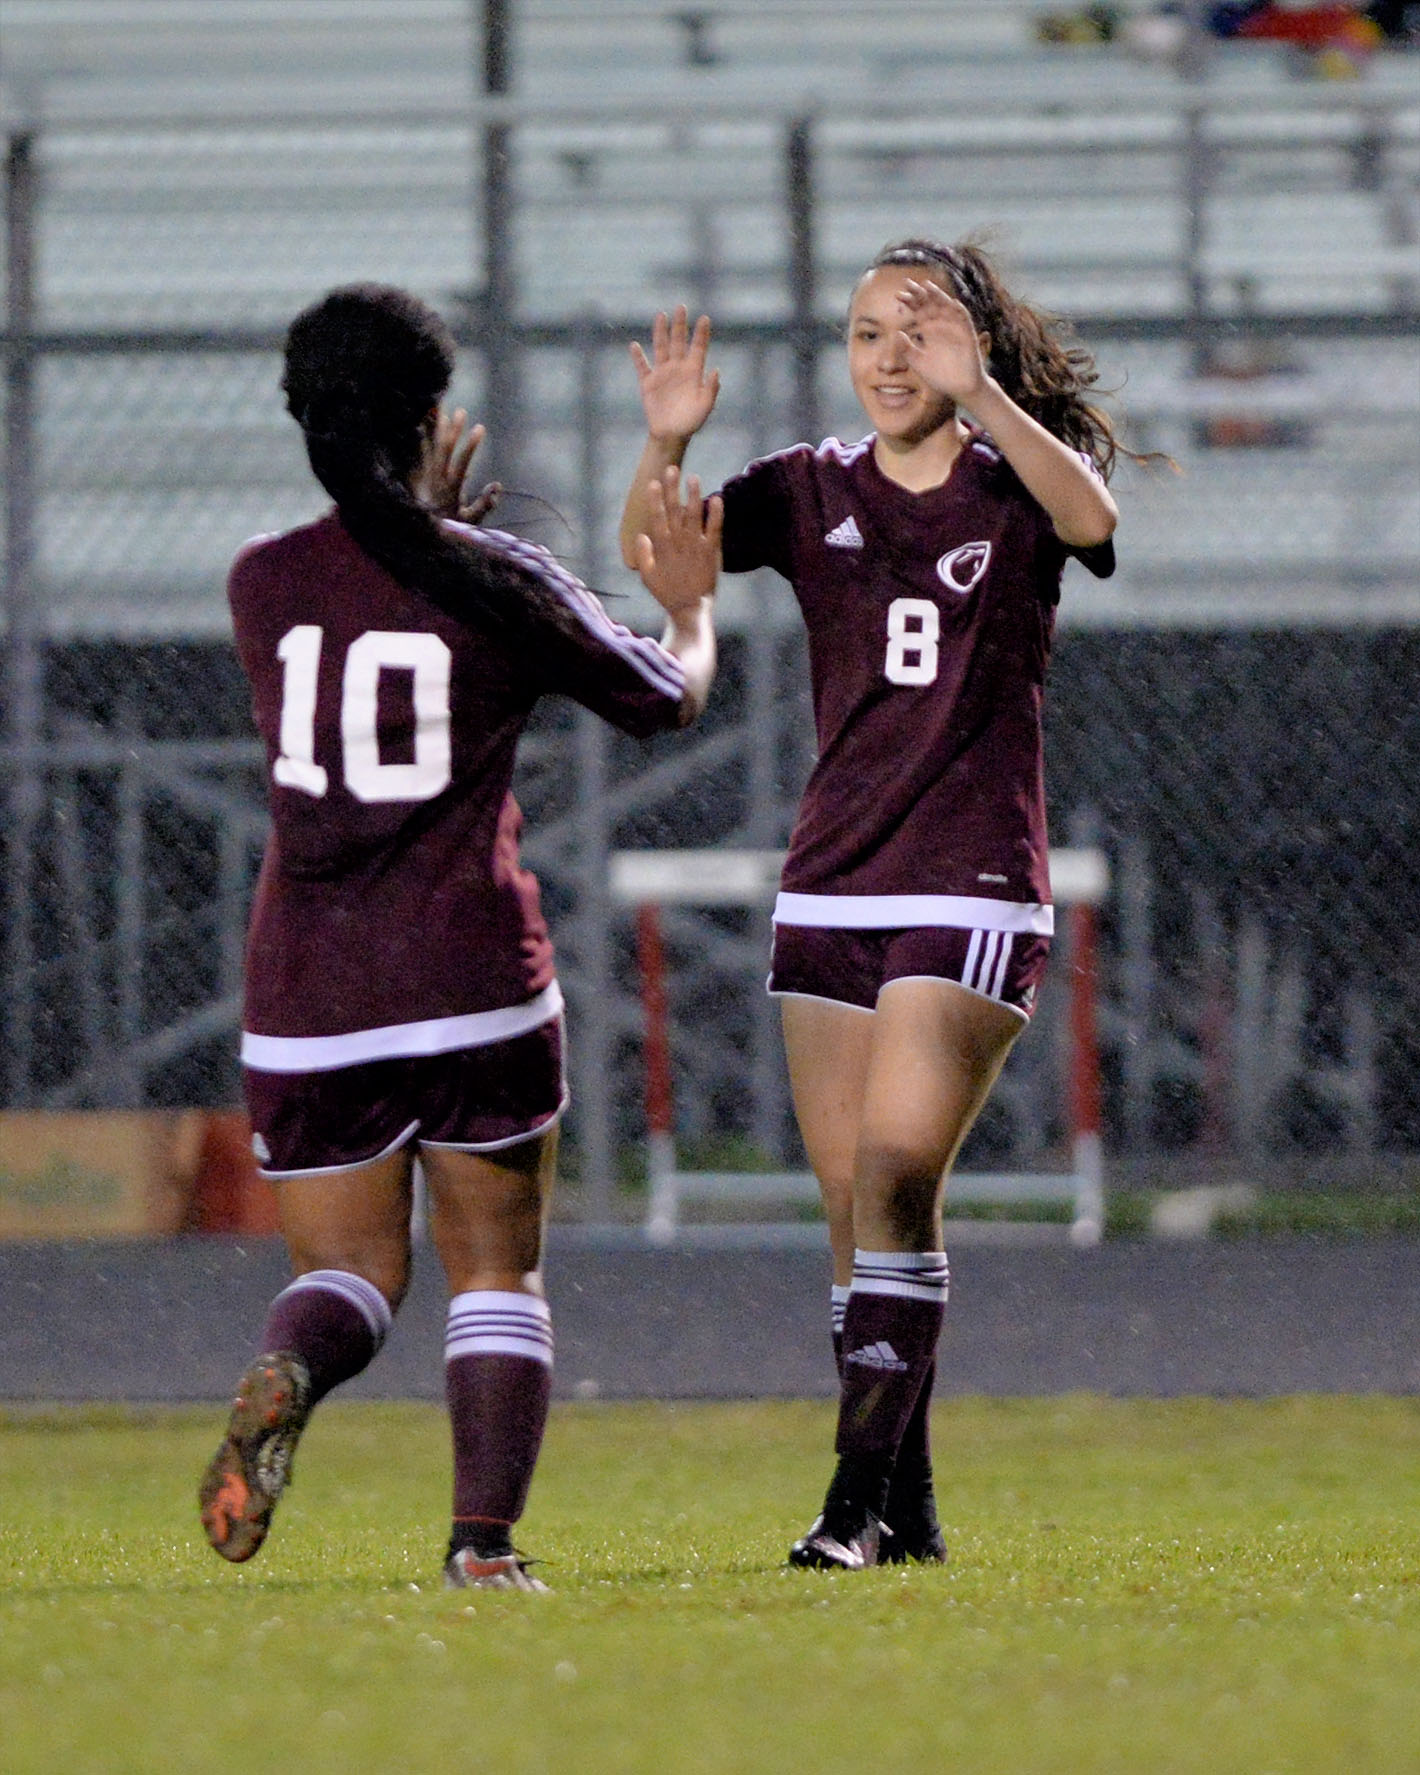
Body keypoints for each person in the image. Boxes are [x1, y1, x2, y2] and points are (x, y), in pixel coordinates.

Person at [199, 282, 720, 1593]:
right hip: (472, 978)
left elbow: (373, 586)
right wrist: (692, 609)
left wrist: (428, 527)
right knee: (498, 1268)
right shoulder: (499, 581)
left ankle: (294, 1368)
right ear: (439, 418)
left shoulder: (260, 582)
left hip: (307, 992)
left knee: (352, 1273)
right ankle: (483, 1552)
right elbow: (663, 698)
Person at [619, 239, 1120, 1570]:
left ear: (969, 347)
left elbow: (1096, 524)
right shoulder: (810, 486)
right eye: (866, 334)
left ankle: (846, 1508)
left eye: (920, 331)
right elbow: (654, 552)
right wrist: (665, 447)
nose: (891, 357)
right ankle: (912, 1511)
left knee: (899, 1168)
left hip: (970, 879)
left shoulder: (1015, 482)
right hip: (834, 877)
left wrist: (993, 396)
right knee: (857, 1210)